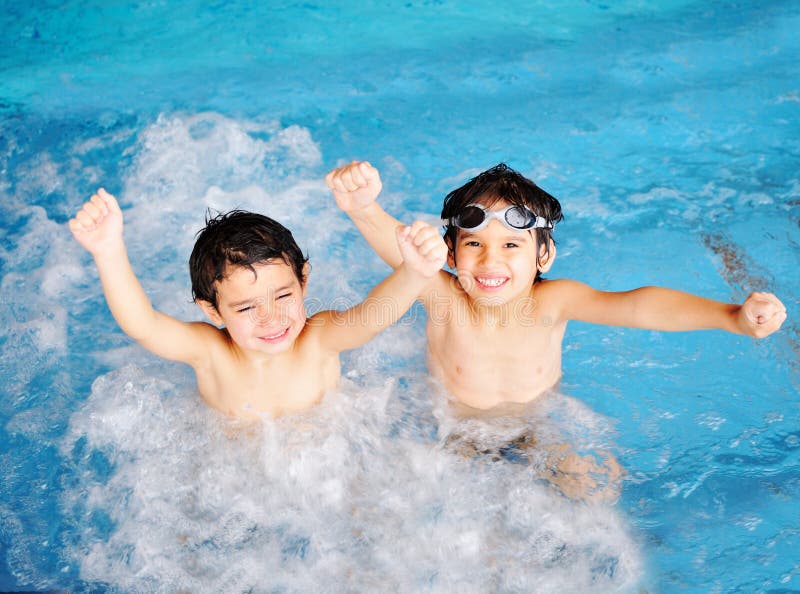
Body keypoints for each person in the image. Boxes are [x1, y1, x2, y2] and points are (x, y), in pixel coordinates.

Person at [327, 161, 787, 500]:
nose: (491, 262)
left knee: (599, 487)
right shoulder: (444, 298)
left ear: (543, 257)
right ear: (450, 255)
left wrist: (730, 317)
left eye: (511, 245)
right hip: (457, 428)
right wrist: (363, 208)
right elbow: (400, 250)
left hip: (534, 424)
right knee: (419, 499)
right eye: (474, 245)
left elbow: (637, 307)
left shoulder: (553, 301)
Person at [69, 188, 447, 420]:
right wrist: (108, 251)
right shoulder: (210, 353)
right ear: (212, 311)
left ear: (303, 280)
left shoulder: (317, 339)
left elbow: (370, 318)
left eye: (283, 296)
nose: (271, 317)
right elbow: (144, 325)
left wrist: (413, 274)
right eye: (247, 308)